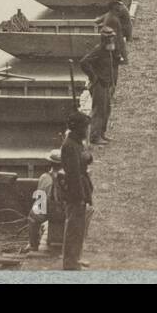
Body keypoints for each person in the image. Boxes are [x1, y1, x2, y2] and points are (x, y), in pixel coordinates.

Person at [60, 112, 94, 270]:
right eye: (85, 127)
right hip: (75, 192)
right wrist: (80, 196)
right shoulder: (69, 146)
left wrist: (87, 156)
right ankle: (70, 262)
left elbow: (86, 159)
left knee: (79, 229)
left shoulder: (77, 143)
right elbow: (73, 175)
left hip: (81, 188)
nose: (87, 130)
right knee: (74, 228)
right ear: (77, 128)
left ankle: (76, 258)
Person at [80, 28, 117, 145]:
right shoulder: (99, 50)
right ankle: (95, 137)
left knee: (106, 110)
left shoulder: (107, 51)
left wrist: (111, 83)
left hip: (106, 84)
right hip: (99, 85)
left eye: (113, 38)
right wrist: (94, 77)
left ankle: (101, 133)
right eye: (110, 38)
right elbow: (83, 62)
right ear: (105, 40)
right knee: (99, 111)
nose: (112, 40)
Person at [28, 150, 64, 252]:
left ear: (50, 163)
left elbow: (40, 199)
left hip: (53, 213)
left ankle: (34, 245)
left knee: (33, 217)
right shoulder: (69, 176)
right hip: (66, 212)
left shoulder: (44, 177)